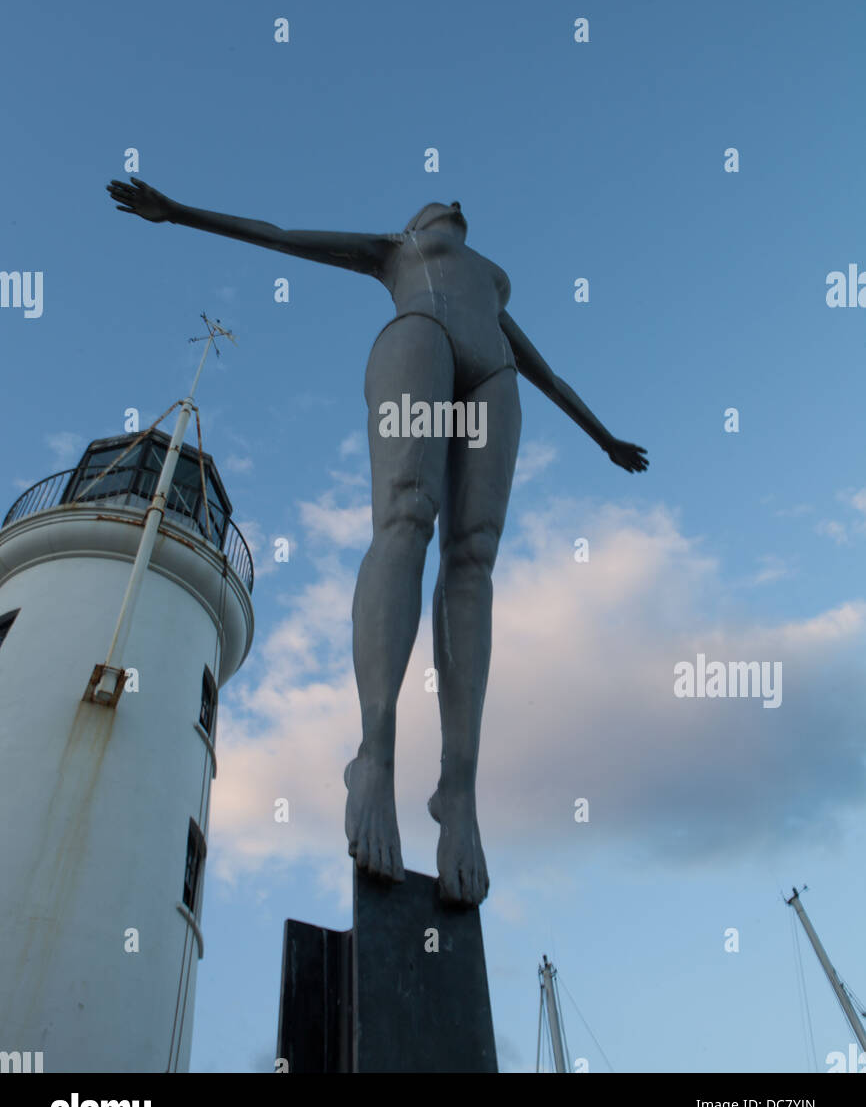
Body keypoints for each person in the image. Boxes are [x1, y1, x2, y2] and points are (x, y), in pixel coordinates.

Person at [107, 176, 648, 905]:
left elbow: (545, 371)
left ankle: (458, 795)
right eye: (436, 201)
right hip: (416, 342)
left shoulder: (488, 279)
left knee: (474, 557)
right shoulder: (396, 251)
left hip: (495, 376)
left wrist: (604, 437)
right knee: (406, 516)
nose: (453, 198)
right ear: (416, 222)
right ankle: (376, 758)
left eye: (458, 201)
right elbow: (282, 233)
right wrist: (176, 213)